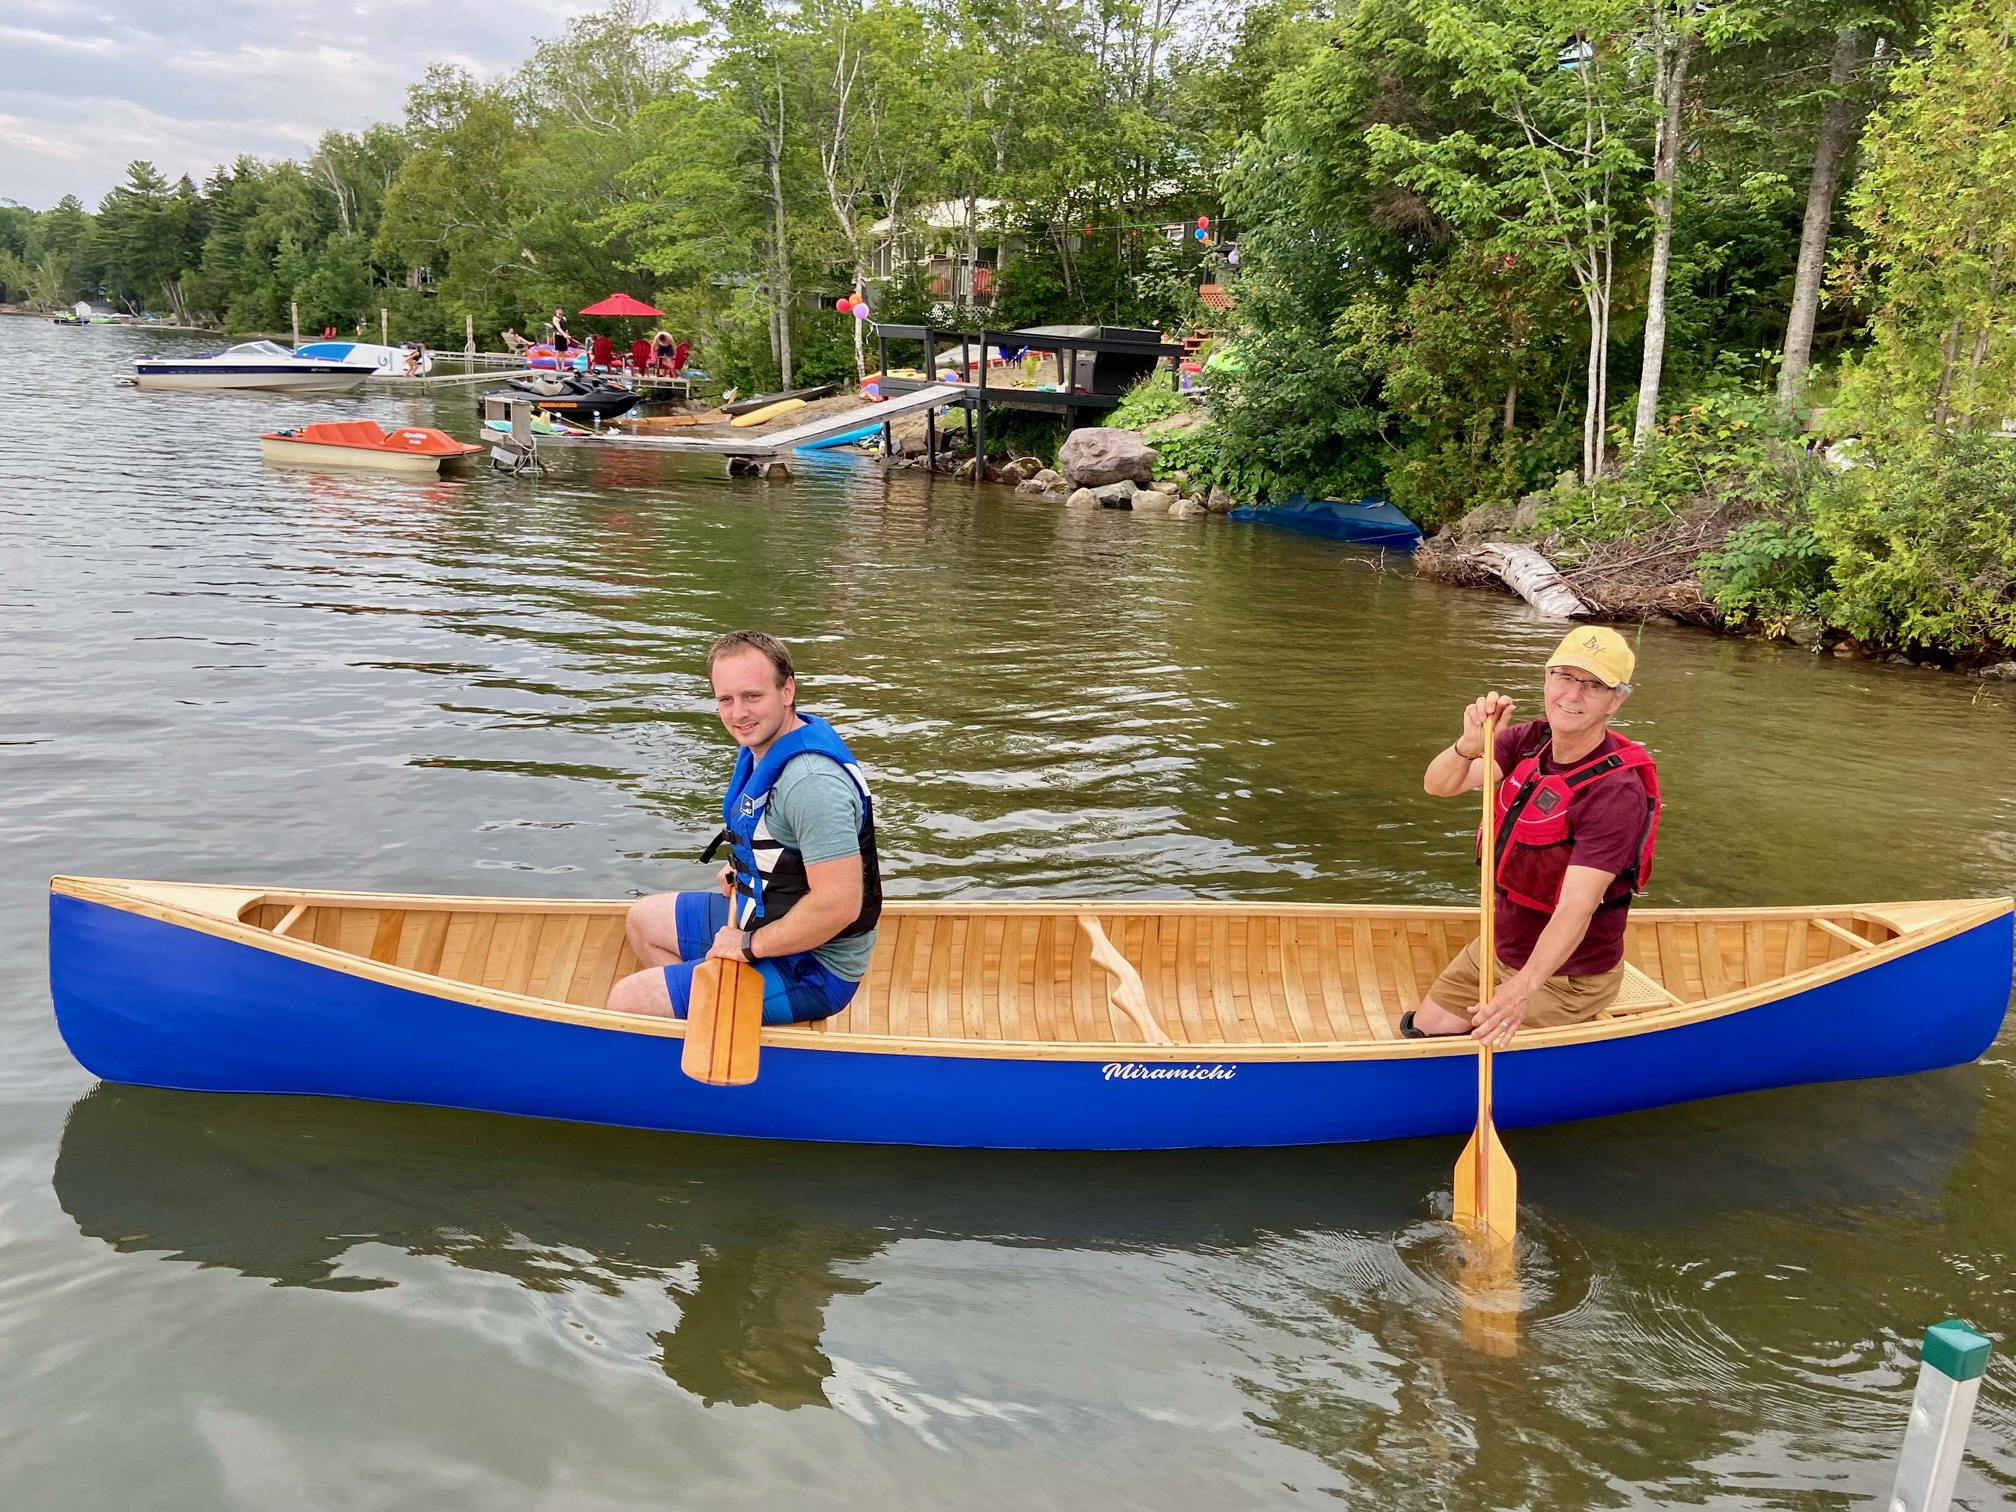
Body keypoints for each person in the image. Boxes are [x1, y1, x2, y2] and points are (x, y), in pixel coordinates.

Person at [606, 631, 882, 1026]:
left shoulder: (811, 784)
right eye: (726, 699)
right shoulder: (765, 747)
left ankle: (724, 1013)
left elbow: (839, 906)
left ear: (787, 690)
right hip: (767, 915)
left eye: (752, 696)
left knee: (627, 999)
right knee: (643, 920)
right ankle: (715, 1012)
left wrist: (747, 946)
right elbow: (784, 851)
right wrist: (748, 870)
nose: (738, 713)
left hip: (816, 966)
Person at [1405, 626, 1661, 1046]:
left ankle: (1567, 1019)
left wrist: (1520, 990)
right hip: (1499, 944)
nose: (1572, 695)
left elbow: (1575, 909)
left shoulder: (1615, 793)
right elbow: (1439, 784)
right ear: (1546, 678)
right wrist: (1469, 745)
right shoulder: (1528, 740)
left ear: (1616, 700)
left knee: (1464, 1050)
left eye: (1594, 685)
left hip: (1568, 975)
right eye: (1565, 676)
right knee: (1423, 1031)